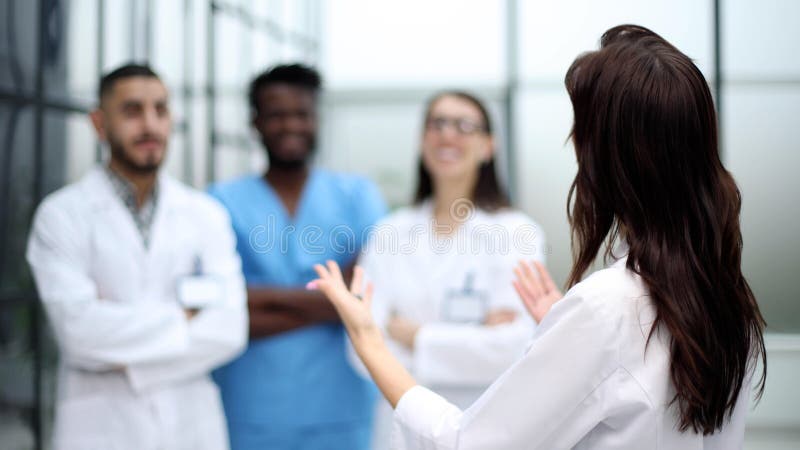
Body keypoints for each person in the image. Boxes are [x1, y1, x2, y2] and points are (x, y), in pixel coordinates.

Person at [309, 25, 767, 449]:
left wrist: (378, 335)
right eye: (436, 123)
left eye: (581, 134)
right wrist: (557, 331)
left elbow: (472, 435)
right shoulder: (727, 301)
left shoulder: (600, 304)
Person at [26, 63, 248, 450]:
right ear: (99, 123)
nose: (150, 125)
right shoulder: (61, 215)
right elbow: (78, 333)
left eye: (160, 110)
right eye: (132, 110)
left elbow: (230, 329)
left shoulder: (204, 214)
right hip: (100, 430)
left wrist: (119, 342)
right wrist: (184, 318)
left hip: (191, 428)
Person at [209, 64, 387, 450]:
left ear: (316, 119)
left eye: (301, 114)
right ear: (255, 123)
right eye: (276, 115)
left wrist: (254, 296)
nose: (290, 125)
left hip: (340, 410)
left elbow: (367, 297)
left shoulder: (358, 196)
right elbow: (216, 308)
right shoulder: (220, 202)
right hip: (249, 410)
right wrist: (331, 300)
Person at [356, 91, 546, 448]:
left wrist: (415, 335)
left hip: (485, 426)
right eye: (437, 123)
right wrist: (470, 340)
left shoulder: (515, 232)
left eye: (464, 126)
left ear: (488, 146)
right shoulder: (389, 233)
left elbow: (516, 347)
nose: (448, 134)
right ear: (421, 141)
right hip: (402, 430)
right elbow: (360, 343)